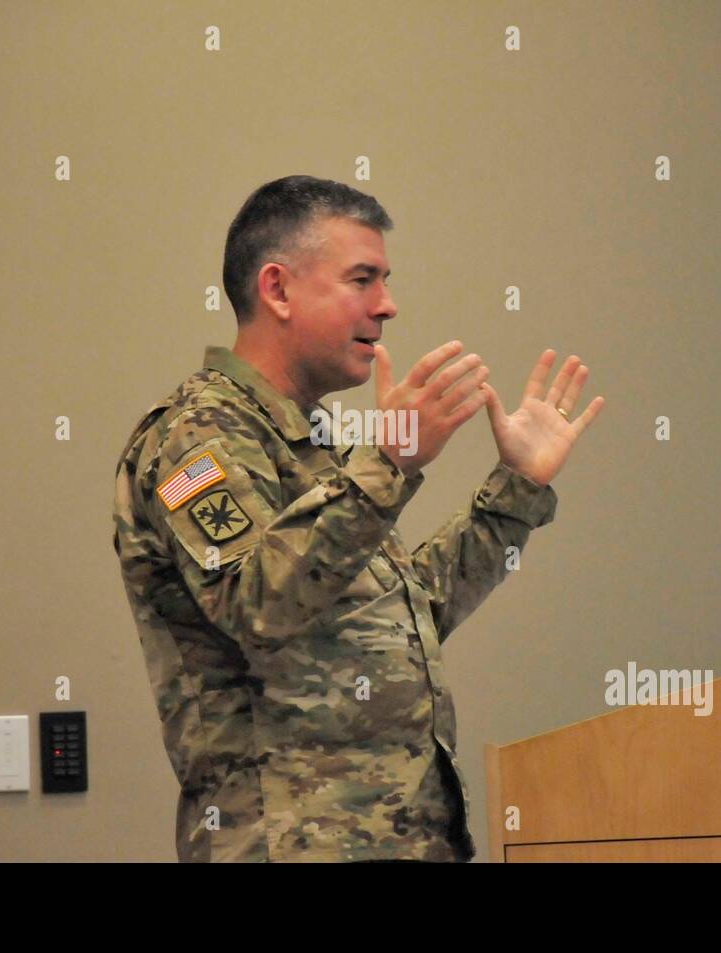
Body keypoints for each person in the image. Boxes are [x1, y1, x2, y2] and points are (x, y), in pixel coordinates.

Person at [112, 175, 604, 862]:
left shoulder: (319, 445)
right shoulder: (194, 440)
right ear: (277, 289)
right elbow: (258, 604)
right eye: (362, 279)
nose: (388, 306)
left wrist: (515, 491)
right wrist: (389, 466)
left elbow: (408, 612)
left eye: (386, 280)